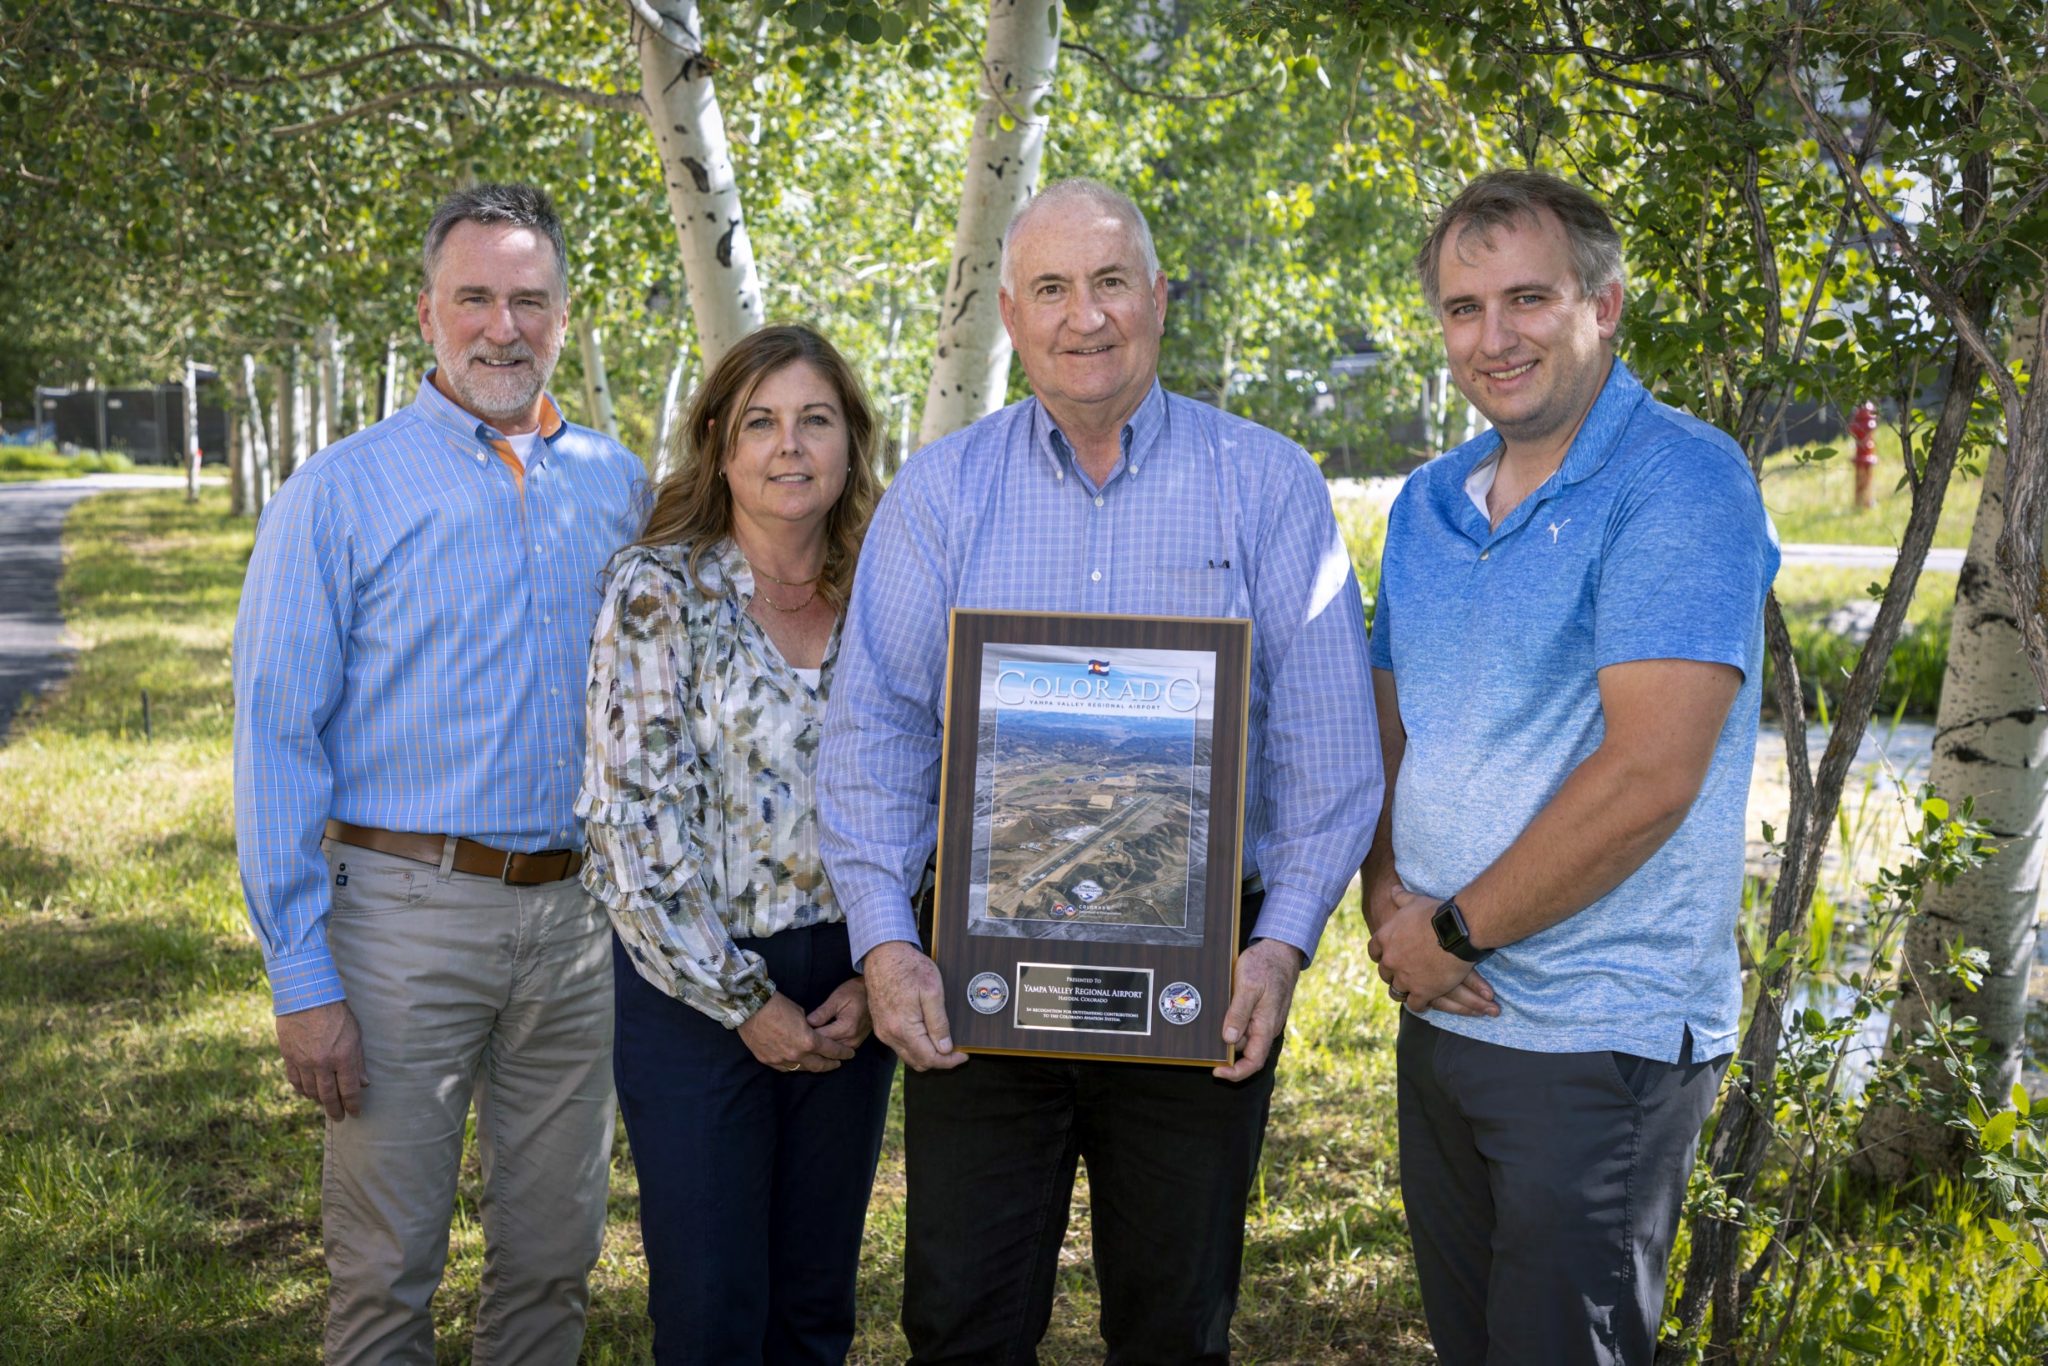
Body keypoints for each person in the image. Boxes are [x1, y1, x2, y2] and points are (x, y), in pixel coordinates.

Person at [818, 178, 1381, 1363]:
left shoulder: (1267, 484)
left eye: (1111, 283)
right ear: (1011, 316)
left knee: (1175, 1324)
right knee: (962, 1317)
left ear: (1160, 300)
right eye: (1054, 291)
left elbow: (1326, 752)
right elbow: (874, 729)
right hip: (972, 981)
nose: (1087, 318)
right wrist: (884, 940)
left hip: (1200, 982)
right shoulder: (940, 492)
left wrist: (1278, 946)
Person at [1363, 169, 1779, 1365]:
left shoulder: (1678, 482)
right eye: (1460, 307)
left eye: (1526, 299)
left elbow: (1648, 775)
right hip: (1439, 1016)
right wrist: (1385, 897)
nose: (1491, 338)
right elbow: (1396, 733)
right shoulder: (1427, 505)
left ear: (1602, 304)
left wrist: (1448, 931)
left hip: (1595, 1040)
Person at [232, 183, 647, 1364]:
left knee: (554, 1258)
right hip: (401, 926)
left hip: (578, 927)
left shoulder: (617, 487)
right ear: (427, 313)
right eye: (475, 298)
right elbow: (275, 737)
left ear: (565, 317)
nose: (502, 327)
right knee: (383, 1268)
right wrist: (300, 973)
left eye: (529, 300)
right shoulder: (339, 493)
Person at [578, 323, 896, 1363]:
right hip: (695, 991)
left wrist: (882, 969)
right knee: (714, 1311)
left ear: (850, 441)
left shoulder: (885, 594)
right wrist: (746, 1002)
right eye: (759, 422)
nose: (788, 446)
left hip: (852, 980)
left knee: (814, 1305)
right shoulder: (655, 590)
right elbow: (630, 828)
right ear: (718, 444)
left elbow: (927, 791)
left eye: (814, 420)